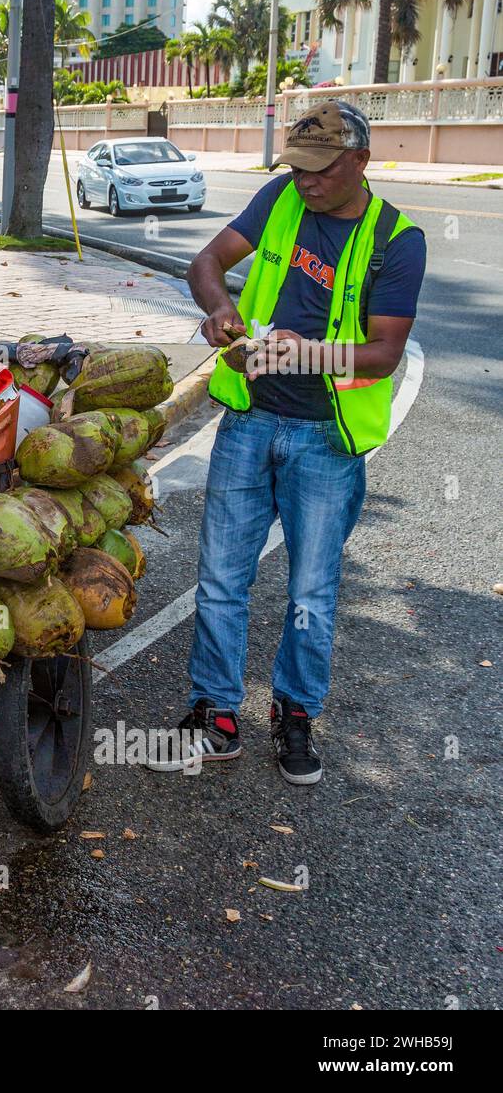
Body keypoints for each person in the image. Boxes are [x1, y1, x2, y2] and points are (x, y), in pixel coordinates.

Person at [150, 100, 426, 785]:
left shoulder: (397, 239)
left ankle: (295, 713)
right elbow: (208, 260)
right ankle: (215, 712)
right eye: (296, 169)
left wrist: (307, 356)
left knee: (311, 588)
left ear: (360, 162)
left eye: (320, 170)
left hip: (326, 441)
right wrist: (218, 307)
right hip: (249, 423)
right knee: (220, 577)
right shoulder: (279, 199)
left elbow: (384, 354)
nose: (305, 182)